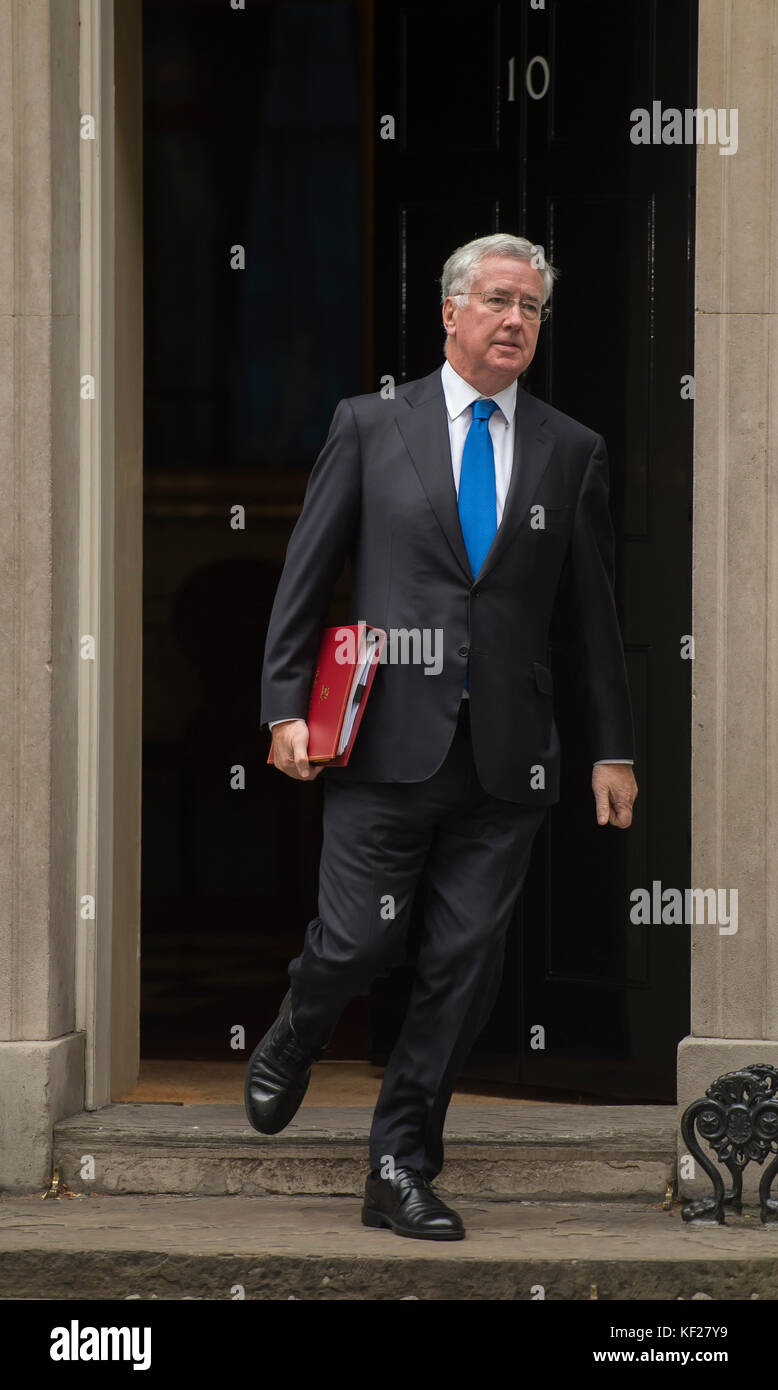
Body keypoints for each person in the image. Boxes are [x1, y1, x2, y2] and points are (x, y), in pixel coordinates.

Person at [246, 233, 638, 1241]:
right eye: (498, 301)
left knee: (459, 968)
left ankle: (399, 1166)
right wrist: (285, 704)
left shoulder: (570, 447)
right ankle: (298, 1023)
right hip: (382, 744)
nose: (516, 321)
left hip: (511, 759)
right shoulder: (371, 425)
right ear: (452, 312)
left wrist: (610, 748)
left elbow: (591, 617)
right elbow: (306, 572)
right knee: (357, 939)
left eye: (533, 309)